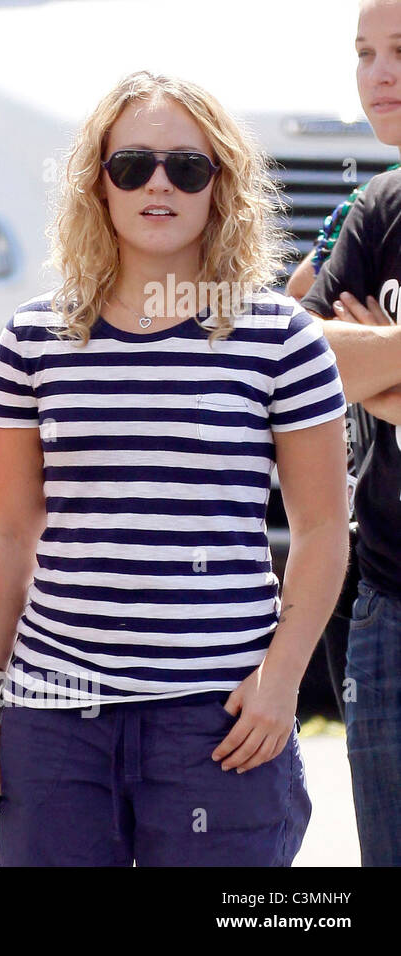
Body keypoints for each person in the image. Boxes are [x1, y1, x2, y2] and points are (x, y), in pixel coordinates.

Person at [0, 71, 349, 866]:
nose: (158, 183)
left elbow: (321, 528)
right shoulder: (34, 338)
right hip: (53, 721)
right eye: (132, 164)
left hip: (218, 721)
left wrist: (280, 683)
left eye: (186, 167)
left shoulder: (282, 339)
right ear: (98, 183)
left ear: (220, 184)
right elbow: (3, 531)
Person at [299, 0, 401, 868]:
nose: (379, 72)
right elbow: (304, 365)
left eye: (400, 50)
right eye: (364, 52)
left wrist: (384, 375)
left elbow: (347, 364)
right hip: (388, 605)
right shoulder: (375, 210)